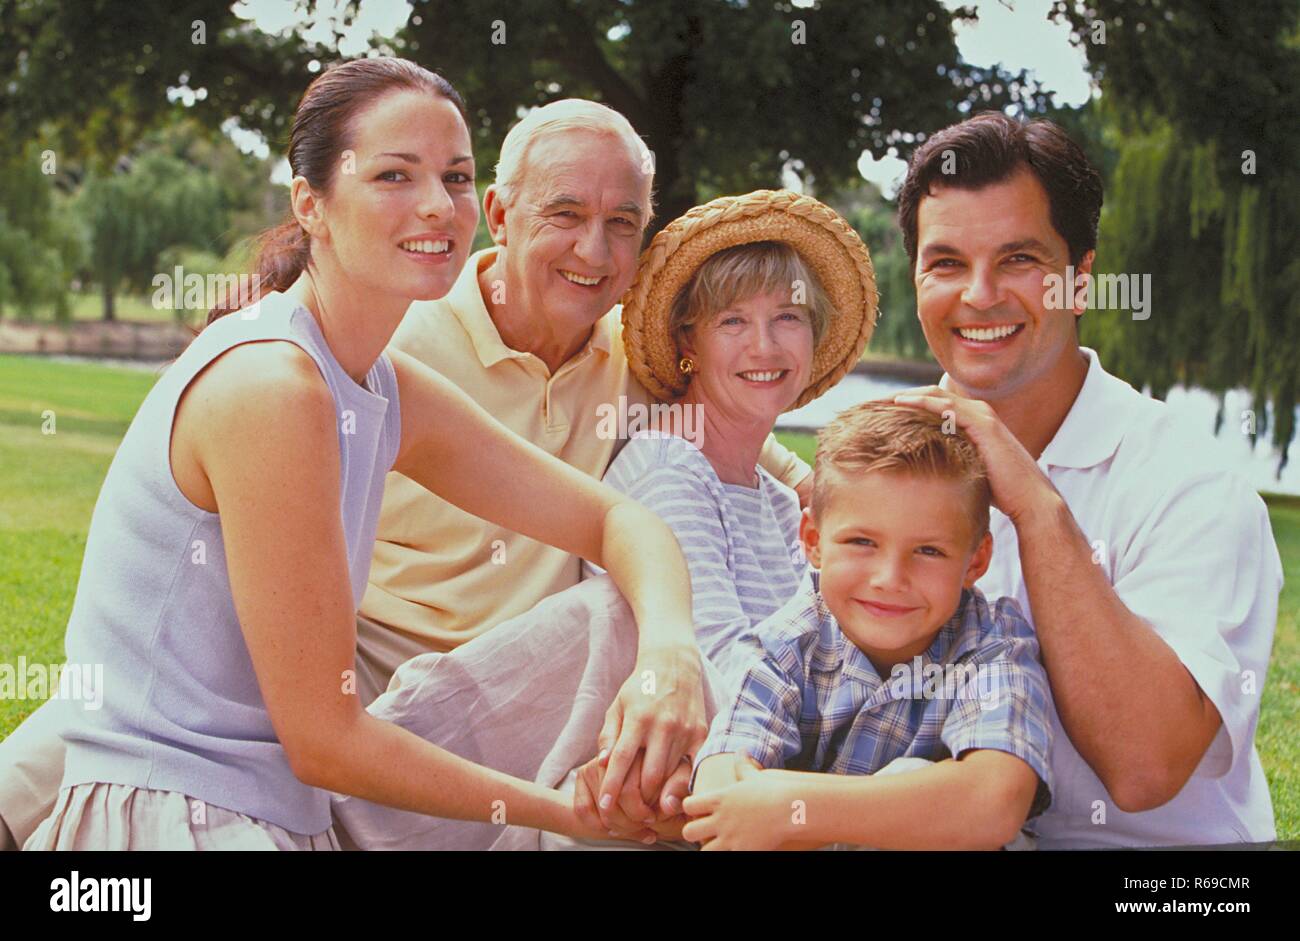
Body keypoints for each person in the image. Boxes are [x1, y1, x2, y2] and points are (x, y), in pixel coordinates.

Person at [19, 57, 705, 850]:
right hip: (176, 820)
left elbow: (616, 518)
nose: (435, 206)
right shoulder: (275, 385)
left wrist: (670, 652)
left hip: (287, 813)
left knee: (621, 614)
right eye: (392, 175)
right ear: (311, 203)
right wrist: (565, 812)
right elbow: (325, 738)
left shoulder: (380, 381)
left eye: (452, 176)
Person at [330, 189, 880, 849]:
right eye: (733, 320)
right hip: (644, 794)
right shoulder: (669, 469)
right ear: (688, 342)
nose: (764, 345)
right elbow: (723, 683)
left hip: (728, 788)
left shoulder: (774, 494)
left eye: (788, 317)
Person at [888, 111, 1281, 847]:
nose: (979, 295)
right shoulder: (880, 469)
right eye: (946, 262)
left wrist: (1035, 503)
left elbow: (1145, 766)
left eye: (1018, 260)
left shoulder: (1191, 482)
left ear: (1081, 278)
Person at [351, 100, 815, 706]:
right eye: (565, 214)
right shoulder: (392, 346)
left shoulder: (645, 354)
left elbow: (781, 469)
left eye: (622, 223)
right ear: (500, 214)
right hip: (389, 699)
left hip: (549, 712)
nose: (594, 252)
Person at [682, 402, 1055, 850]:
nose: (889, 579)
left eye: (929, 551)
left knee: (912, 776)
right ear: (814, 542)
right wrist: (756, 804)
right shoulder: (787, 642)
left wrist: (792, 809)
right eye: (862, 542)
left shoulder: (992, 646)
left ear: (976, 560)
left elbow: (994, 800)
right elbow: (721, 785)